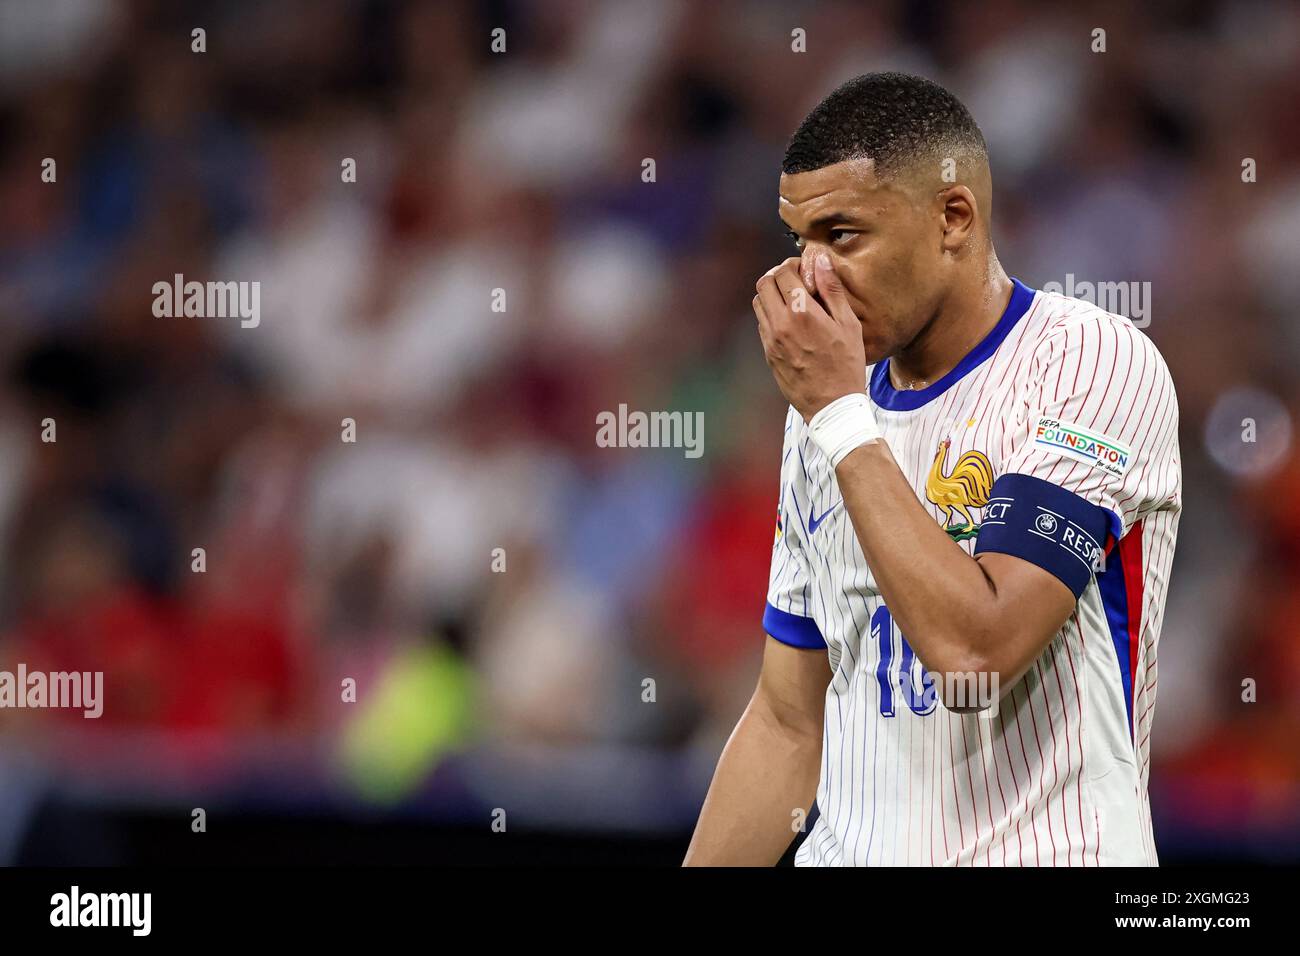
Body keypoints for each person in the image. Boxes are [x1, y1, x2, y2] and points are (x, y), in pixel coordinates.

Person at [685, 72, 1181, 866]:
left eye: (842, 235)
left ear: (954, 218)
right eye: (798, 241)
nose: (810, 278)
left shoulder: (1089, 362)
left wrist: (843, 419)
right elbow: (788, 723)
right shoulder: (822, 411)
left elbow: (976, 652)